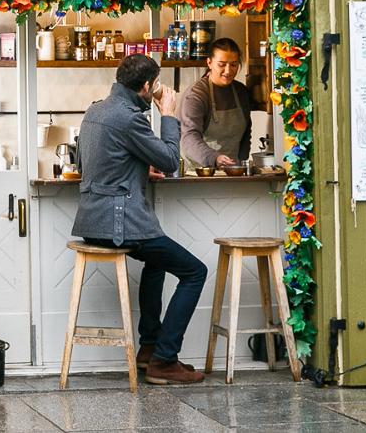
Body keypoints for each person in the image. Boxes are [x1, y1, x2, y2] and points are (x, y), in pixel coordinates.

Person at [72, 53, 208, 385]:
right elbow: (170, 160)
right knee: (195, 271)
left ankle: (149, 348)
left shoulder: (96, 110)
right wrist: (169, 114)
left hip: (92, 222)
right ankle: (165, 359)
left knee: (156, 263)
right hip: (120, 223)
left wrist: (137, 168)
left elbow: (100, 161)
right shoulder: (128, 118)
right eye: (155, 85)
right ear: (146, 86)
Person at [181, 37, 254, 170]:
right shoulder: (196, 95)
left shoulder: (241, 91)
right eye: (221, 64)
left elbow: (246, 132)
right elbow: (189, 138)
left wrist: (241, 163)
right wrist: (214, 158)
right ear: (209, 63)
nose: (228, 71)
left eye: (234, 65)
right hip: (199, 172)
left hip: (233, 172)